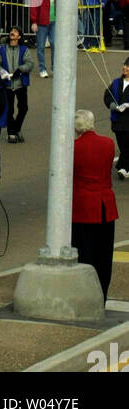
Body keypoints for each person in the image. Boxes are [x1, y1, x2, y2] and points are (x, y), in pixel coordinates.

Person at [71, 108, 119, 304]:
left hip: (82, 207)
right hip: (104, 206)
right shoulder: (107, 143)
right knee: (104, 255)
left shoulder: (73, 147)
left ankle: (86, 297)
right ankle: (103, 295)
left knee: (84, 255)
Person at [0, 27, 34, 143]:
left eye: (15, 31)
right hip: (7, 83)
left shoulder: (24, 49)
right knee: (9, 109)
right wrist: (1, 71)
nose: (12, 33)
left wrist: (21, 69)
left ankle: (16, 128)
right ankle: (11, 133)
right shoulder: (2, 49)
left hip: (20, 83)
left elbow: (30, 63)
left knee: (23, 108)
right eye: (11, 31)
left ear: (19, 36)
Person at [103, 58, 129, 179]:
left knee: (127, 145)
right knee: (122, 144)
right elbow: (107, 96)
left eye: (128, 66)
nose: (125, 68)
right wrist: (112, 105)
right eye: (125, 65)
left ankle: (123, 168)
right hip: (118, 122)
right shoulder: (116, 82)